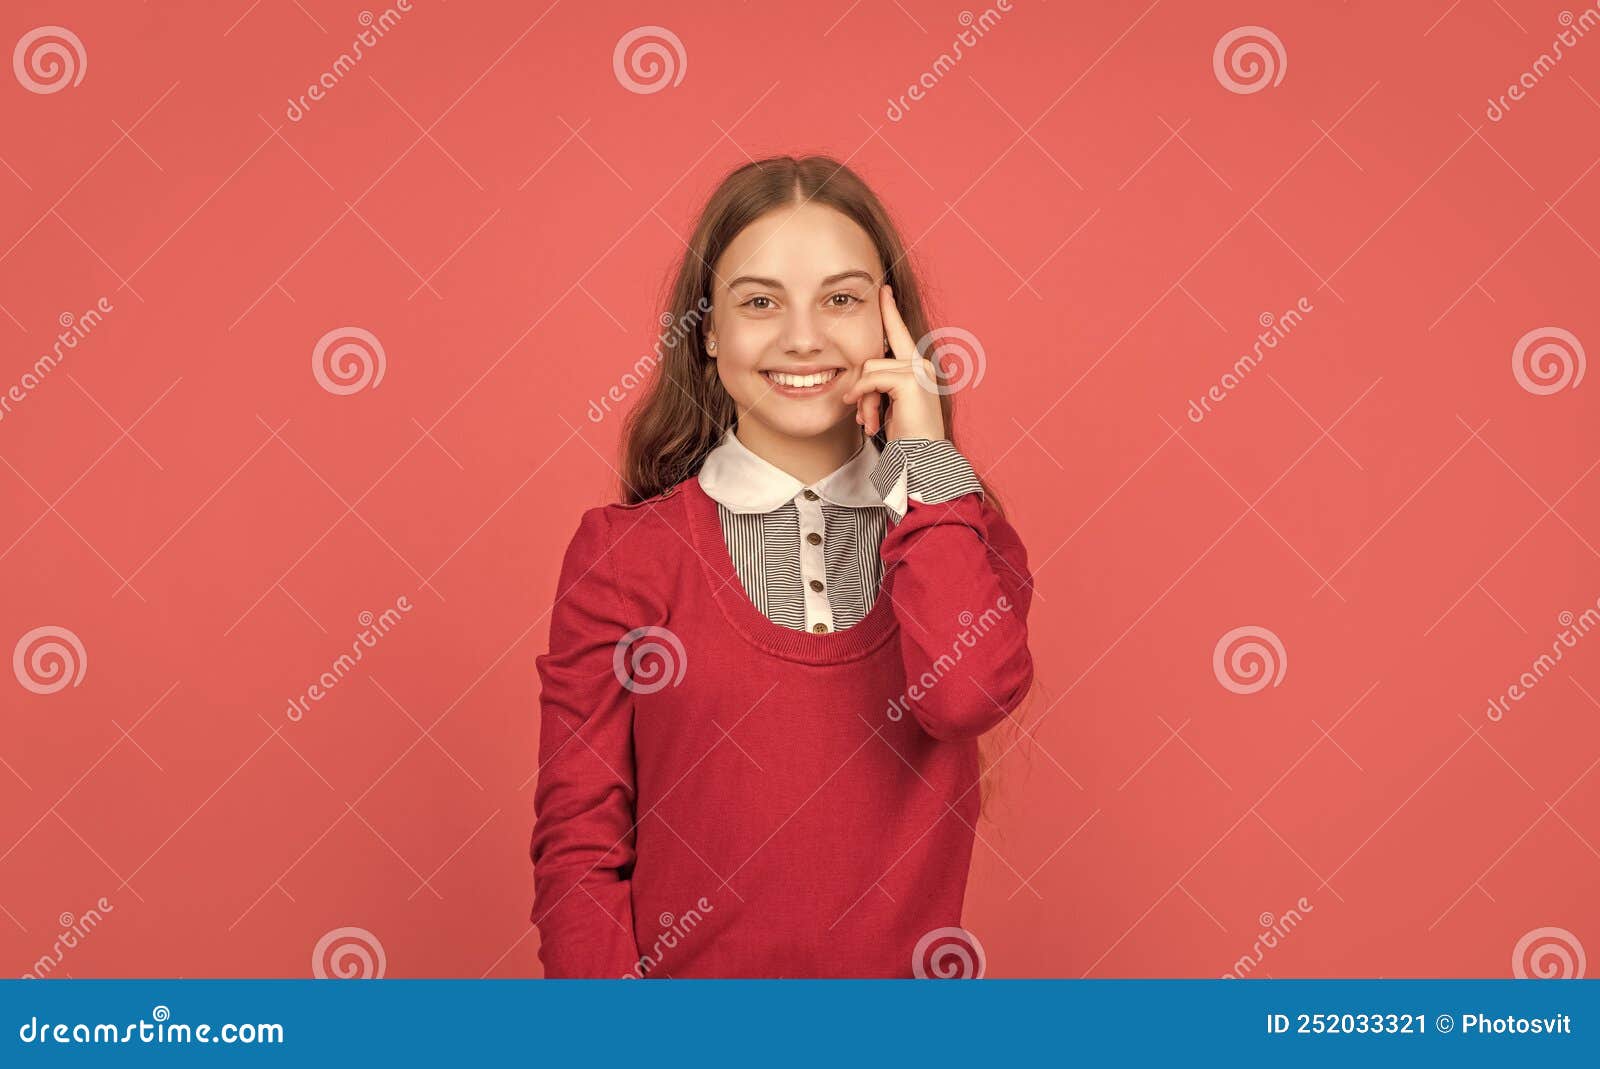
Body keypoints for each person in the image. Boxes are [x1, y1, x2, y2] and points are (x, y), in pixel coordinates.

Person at [530, 155, 1034, 978]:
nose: (802, 336)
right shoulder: (624, 558)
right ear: (707, 334)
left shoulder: (963, 538)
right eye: (759, 302)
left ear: (891, 328)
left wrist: (925, 459)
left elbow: (964, 692)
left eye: (841, 299)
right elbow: (578, 852)